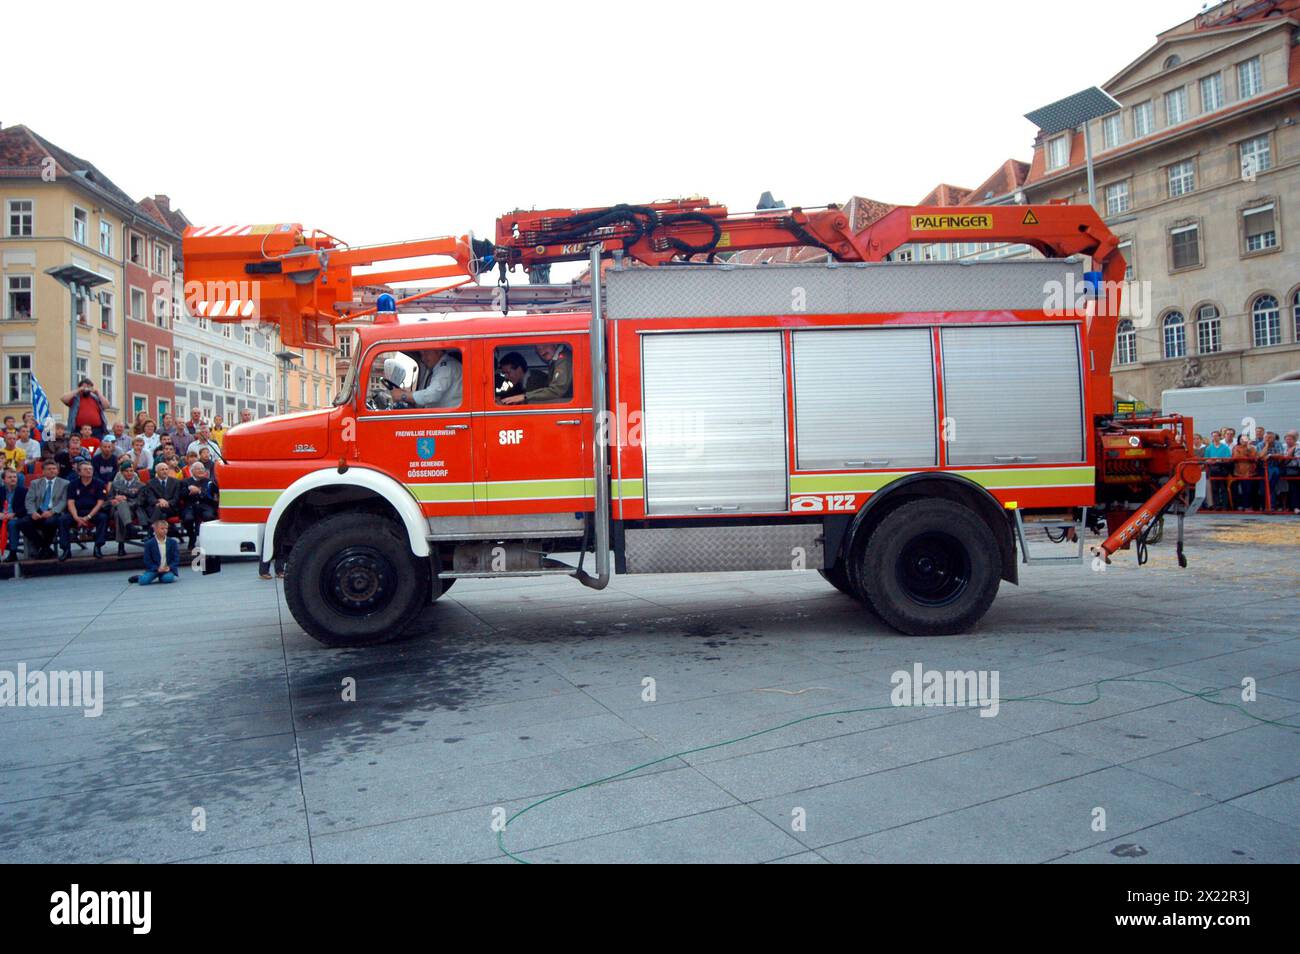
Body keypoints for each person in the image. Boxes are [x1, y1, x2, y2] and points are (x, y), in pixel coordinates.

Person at [18, 459, 67, 559]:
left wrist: (52, 511)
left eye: (54, 469)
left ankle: (43, 549)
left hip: (54, 512)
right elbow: (29, 500)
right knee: (22, 523)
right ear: (43, 471)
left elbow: (64, 501)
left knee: (50, 523)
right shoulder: (35, 483)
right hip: (38, 511)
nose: (52, 471)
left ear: (57, 471)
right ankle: (45, 548)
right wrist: (32, 512)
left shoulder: (65, 483)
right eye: (49, 469)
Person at [62, 459, 108, 560]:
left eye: (90, 469)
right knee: (63, 520)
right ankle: (66, 550)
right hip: (77, 511)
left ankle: (98, 547)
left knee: (103, 517)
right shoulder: (73, 484)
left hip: (93, 511)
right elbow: (70, 502)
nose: (89, 471)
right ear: (79, 472)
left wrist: (88, 517)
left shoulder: (99, 483)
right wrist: (76, 517)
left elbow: (100, 503)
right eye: (85, 469)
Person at [500, 342, 572, 405]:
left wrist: (524, 397)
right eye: (538, 349)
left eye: (544, 346)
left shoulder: (563, 360)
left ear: (555, 343)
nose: (541, 352)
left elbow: (557, 390)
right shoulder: (555, 361)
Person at [390, 348, 462, 408]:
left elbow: (432, 395)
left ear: (438, 351)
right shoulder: (443, 366)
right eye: (422, 354)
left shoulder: (446, 367)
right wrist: (407, 394)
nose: (423, 358)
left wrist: (403, 395)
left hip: (448, 419)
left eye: (426, 353)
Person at [110, 459, 145, 556]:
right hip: (116, 508)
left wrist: (124, 501)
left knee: (119, 513)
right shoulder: (116, 484)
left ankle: (121, 546)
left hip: (134, 510)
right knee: (119, 506)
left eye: (131, 471)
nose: (129, 473)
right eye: (126, 471)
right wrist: (114, 500)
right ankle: (129, 526)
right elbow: (108, 499)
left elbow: (140, 501)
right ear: (121, 472)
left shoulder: (140, 485)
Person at [180, 462, 218, 549]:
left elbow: (212, 498)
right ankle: (191, 537)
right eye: (198, 469)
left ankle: (209, 540)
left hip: (205, 506)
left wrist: (199, 492)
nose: (201, 470)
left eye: (202, 469)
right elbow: (181, 495)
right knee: (188, 519)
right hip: (190, 506)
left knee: (209, 516)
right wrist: (188, 490)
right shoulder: (185, 482)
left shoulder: (209, 482)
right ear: (192, 471)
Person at [132, 519, 179, 585]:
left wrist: (169, 567)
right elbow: (147, 560)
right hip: (154, 569)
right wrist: (157, 568)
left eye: (166, 528)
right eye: (162, 529)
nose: (165, 530)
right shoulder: (149, 543)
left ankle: (162, 576)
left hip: (167, 569)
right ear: (155, 530)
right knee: (143, 581)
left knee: (168, 578)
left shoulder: (173, 542)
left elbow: (176, 559)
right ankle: (140, 577)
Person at [1, 466, 27, 562]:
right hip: (2, 516)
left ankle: (13, 553)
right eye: (10, 477)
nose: (13, 479)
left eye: (14, 477)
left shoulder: (23, 491)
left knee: (12, 524)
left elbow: (26, 507)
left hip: (16, 517)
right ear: (4, 480)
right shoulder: (0, 491)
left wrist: (14, 514)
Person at [1203, 430, 1232, 510]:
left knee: (1223, 488)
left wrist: (1219, 460)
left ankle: (1225, 506)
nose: (1215, 437)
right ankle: (1216, 505)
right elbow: (1206, 459)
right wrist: (1212, 461)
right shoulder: (1209, 448)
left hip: (1222, 469)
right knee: (1214, 488)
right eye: (1213, 436)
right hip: (1213, 469)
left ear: (1220, 437)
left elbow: (1228, 458)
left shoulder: (1225, 447)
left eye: (1216, 436)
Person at [1230, 433, 1260, 511]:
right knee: (1240, 490)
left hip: (1251, 472)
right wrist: (1246, 457)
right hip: (1239, 472)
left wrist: (1248, 450)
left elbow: (1254, 458)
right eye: (1241, 439)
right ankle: (1241, 506)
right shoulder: (1236, 447)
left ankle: (1249, 506)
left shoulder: (1252, 448)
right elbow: (1236, 457)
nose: (1243, 441)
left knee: (1250, 490)